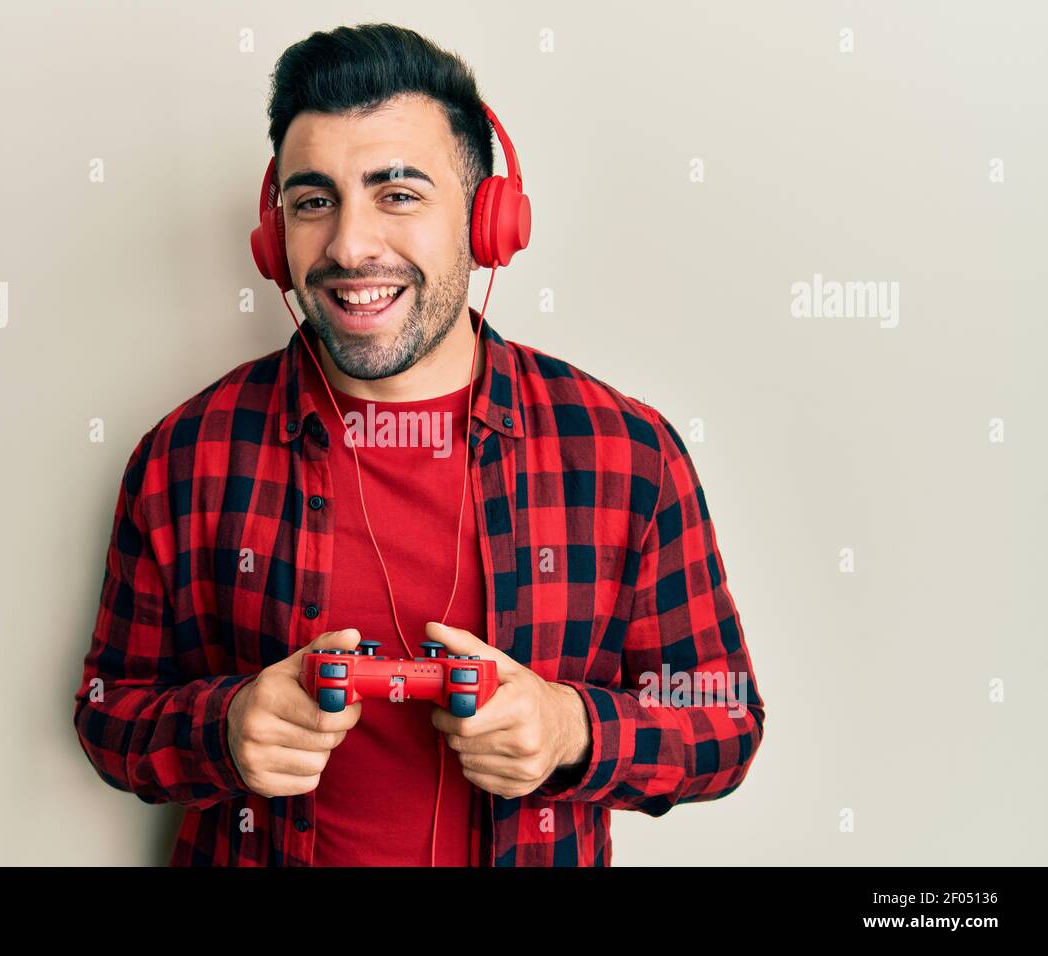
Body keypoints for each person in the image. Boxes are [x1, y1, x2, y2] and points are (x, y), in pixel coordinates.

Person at [73, 22, 765, 867]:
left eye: (397, 194)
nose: (350, 245)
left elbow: (725, 722)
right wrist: (221, 729)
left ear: (486, 222)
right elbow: (110, 711)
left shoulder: (626, 454)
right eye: (314, 200)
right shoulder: (187, 455)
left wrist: (570, 727)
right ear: (274, 236)